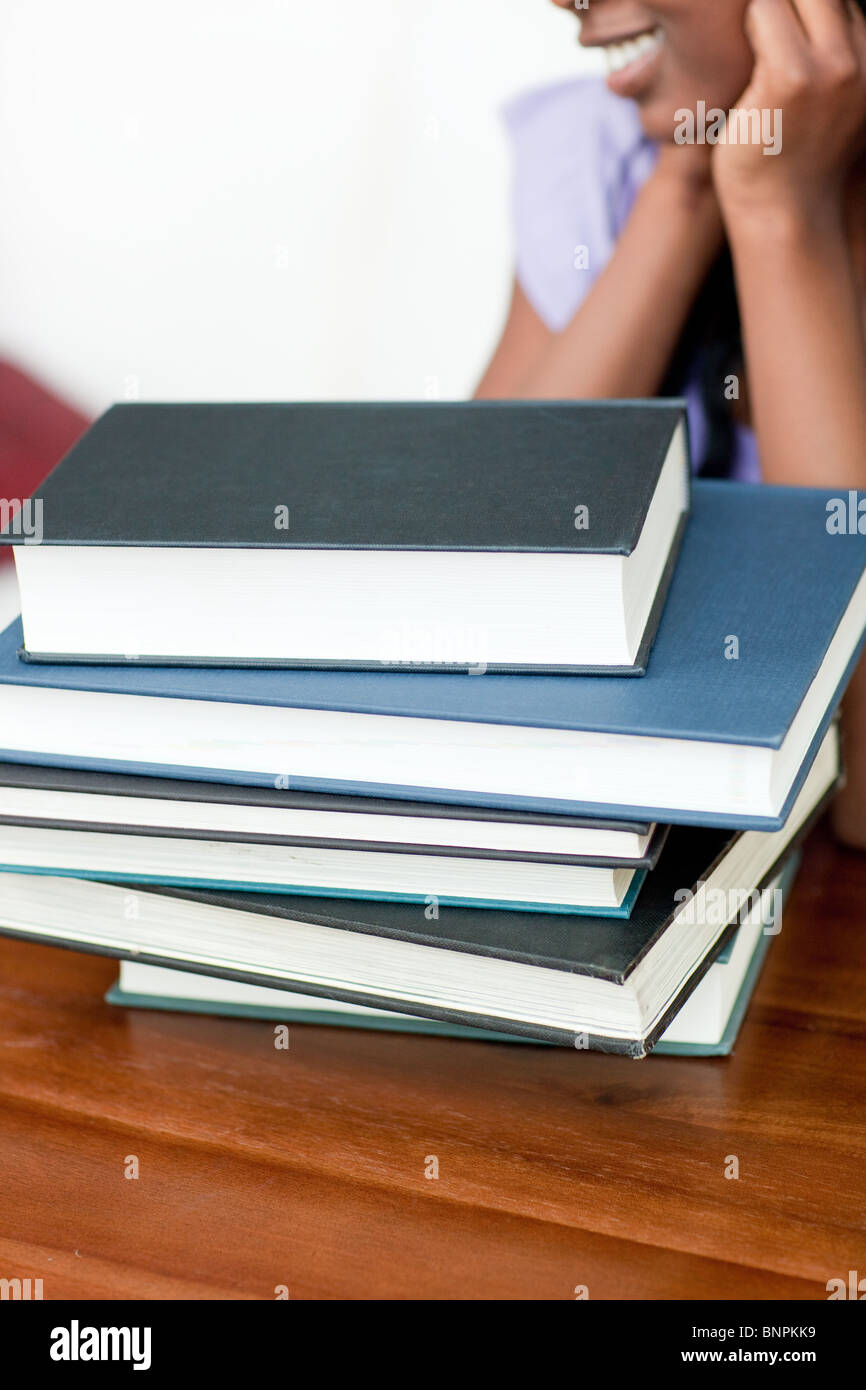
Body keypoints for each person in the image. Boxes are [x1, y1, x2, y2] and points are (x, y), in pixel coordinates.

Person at [477, 0, 866, 847]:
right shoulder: (602, 154)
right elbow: (461, 629)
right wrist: (684, 187)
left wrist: (777, 214)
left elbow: (861, 794)